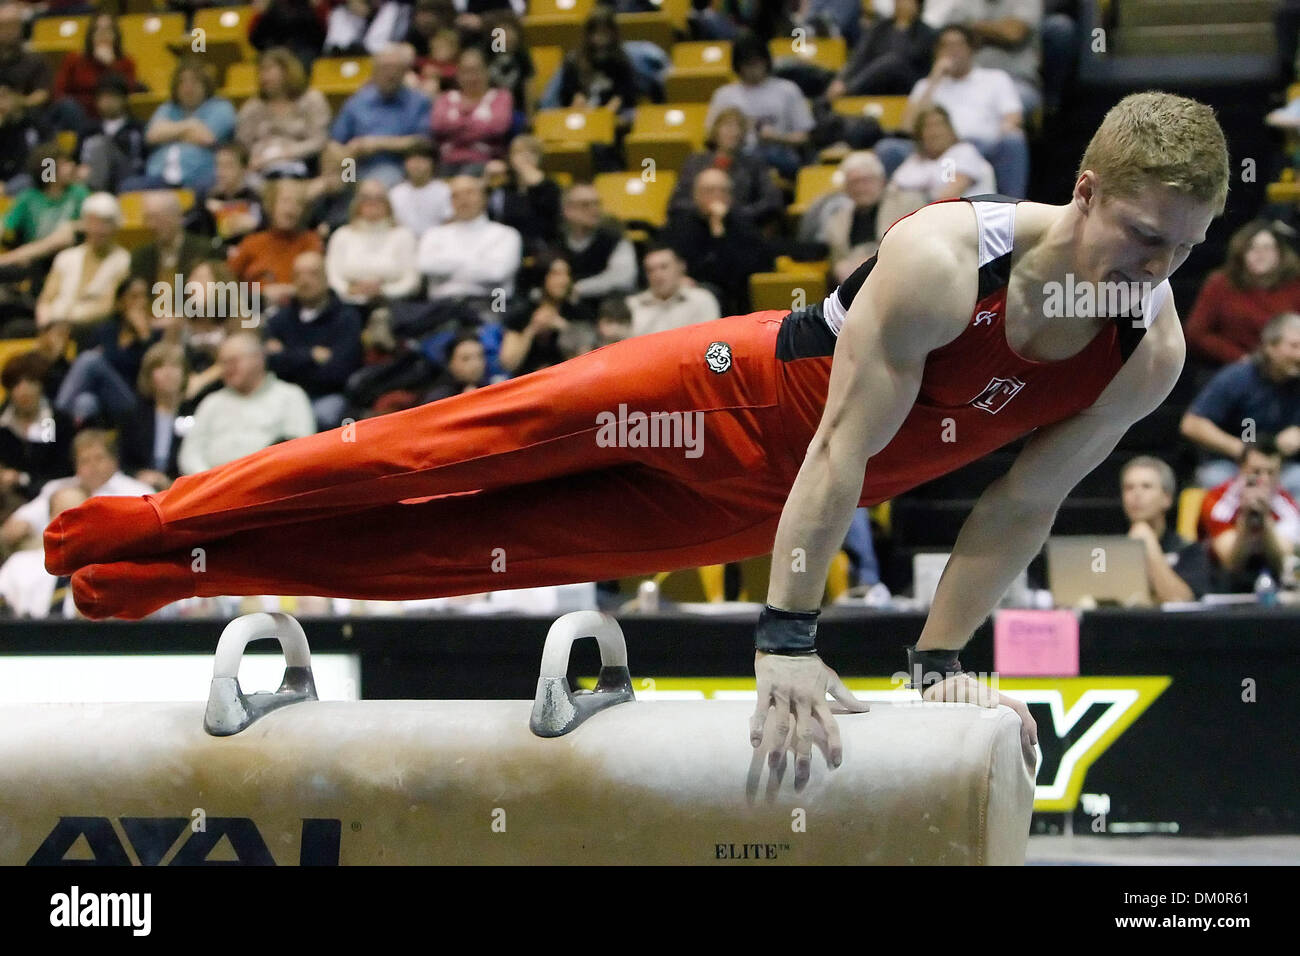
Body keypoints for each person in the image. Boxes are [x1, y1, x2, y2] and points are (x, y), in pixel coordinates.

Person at [46, 92, 1229, 785]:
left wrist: (934, 662)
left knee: (453, 553)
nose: (1152, 272)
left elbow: (1018, 507)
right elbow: (839, 453)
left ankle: (171, 573)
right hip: (708, 391)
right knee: (425, 451)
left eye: (1182, 250)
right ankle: (157, 515)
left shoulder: (1147, 351)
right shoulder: (940, 258)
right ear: (1079, 192)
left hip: (745, 509)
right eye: (1138, 238)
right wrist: (783, 636)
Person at [881, 25, 1028, 199]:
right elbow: (907, 127)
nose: (952, 51)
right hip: (931, 146)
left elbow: (1013, 118)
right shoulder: (926, 85)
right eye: (946, 46)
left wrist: (1001, 130)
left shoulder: (995, 78)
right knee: (888, 149)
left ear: (971, 49)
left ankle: (1014, 206)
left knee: (1012, 140)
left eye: (958, 45)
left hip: (980, 145)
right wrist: (934, 78)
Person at [1180, 312, 1300, 498]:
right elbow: (1192, 424)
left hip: (1283, 469)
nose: (1299, 354)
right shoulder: (1237, 378)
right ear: (1270, 347)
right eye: (1294, 346)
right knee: (1213, 479)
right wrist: (1241, 450)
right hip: (1233, 467)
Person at [177, 332, 316, 474]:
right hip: (214, 485)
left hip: (268, 483)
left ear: (258, 359)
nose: (228, 368)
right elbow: (190, 454)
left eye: (233, 361)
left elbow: (299, 450)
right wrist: (208, 479)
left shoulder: (290, 396)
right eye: (223, 363)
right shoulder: (211, 402)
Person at [4, 429, 150, 552]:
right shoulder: (57, 488)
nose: (93, 466)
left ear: (114, 460)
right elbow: (20, 523)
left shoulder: (138, 493)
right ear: (75, 465)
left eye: (99, 458)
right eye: (85, 460)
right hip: (49, 559)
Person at [1188, 436, 1300, 595]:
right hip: (1219, 579)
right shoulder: (1216, 500)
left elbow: (1282, 561)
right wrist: (1246, 519)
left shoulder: (1287, 505)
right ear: (1241, 469)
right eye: (1256, 472)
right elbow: (1230, 562)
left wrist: (1265, 519)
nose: (1264, 480)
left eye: (1271, 472)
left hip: (1271, 579)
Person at [267, 250, 364, 429]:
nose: (304, 281)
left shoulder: (346, 317)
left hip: (326, 396)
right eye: (298, 275)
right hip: (283, 398)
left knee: (320, 418)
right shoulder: (279, 319)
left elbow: (339, 371)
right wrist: (311, 355)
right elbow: (269, 364)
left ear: (326, 278)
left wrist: (287, 355)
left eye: (312, 274)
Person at [1184, 220, 1300, 367]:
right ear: (1241, 253)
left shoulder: (1295, 284)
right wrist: (1241, 358)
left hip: (1289, 367)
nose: (1260, 254)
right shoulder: (1220, 283)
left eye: (1268, 248)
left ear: (1281, 253)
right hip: (1231, 367)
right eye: (1252, 248)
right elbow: (1196, 333)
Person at [660, 167, 773, 315]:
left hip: (733, 298)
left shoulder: (744, 226)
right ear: (696, 195)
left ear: (730, 196)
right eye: (709, 191)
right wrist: (678, 279)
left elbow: (741, 272)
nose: (716, 196)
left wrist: (718, 230)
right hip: (685, 292)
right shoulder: (679, 225)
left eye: (722, 191)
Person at [704, 32, 813, 179]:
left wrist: (777, 137)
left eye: (757, 63)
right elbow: (712, 137)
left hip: (778, 155)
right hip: (737, 155)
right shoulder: (724, 95)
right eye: (747, 65)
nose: (753, 70)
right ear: (738, 66)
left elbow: (804, 137)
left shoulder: (787, 90)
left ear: (766, 62)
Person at [330, 43, 433, 187]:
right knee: (338, 186)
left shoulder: (418, 102)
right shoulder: (357, 101)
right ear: (374, 72)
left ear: (404, 72)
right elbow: (336, 141)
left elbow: (423, 142)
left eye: (395, 69)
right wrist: (343, 155)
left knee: (376, 183)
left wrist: (378, 144)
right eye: (385, 68)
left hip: (394, 165)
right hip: (354, 163)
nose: (390, 74)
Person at [34, 192, 131, 341]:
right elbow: (46, 300)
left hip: (89, 326)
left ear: (115, 226)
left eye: (104, 223)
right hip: (53, 323)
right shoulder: (66, 257)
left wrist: (68, 321)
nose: (97, 229)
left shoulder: (123, 261)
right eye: (92, 222)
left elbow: (109, 306)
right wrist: (46, 322)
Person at [131, 60, 237, 195]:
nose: (188, 87)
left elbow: (207, 137)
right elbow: (152, 135)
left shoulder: (220, 107)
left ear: (205, 85)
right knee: (128, 187)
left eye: (194, 82)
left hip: (200, 176)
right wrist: (191, 125)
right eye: (182, 82)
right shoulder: (167, 108)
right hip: (159, 176)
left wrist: (170, 132)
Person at [667, 107, 784, 228]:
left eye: (738, 127)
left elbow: (772, 201)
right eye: (728, 126)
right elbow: (677, 202)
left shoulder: (754, 164)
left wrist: (733, 214)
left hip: (741, 226)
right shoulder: (695, 162)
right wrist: (706, 211)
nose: (733, 132)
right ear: (716, 130)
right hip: (697, 226)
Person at [417, 174, 521, 308]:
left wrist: (449, 269)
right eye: (456, 195)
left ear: (484, 198)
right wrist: (478, 261)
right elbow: (426, 266)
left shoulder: (506, 234)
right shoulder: (434, 234)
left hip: (494, 304)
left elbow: (497, 273)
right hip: (443, 306)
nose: (463, 200)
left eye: (469, 193)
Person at [880, 105, 997, 217]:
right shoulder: (916, 160)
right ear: (920, 135)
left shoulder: (963, 152)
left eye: (939, 125)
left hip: (965, 217)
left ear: (950, 130)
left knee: (910, 200)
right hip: (924, 218)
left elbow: (951, 194)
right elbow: (893, 188)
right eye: (928, 127)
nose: (934, 132)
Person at [235, 47, 332, 181]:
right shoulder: (253, 107)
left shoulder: (311, 99)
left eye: (268, 70)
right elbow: (242, 143)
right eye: (261, 71)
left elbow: (319, 140)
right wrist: (257, 155)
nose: (263, 76)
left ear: (287, 71)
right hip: (260, 166)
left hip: (302, 163)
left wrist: (286, 153)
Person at [227, 179, 324, 306]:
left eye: (298, 204)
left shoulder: (311, 242)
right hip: (254, 310)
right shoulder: (252, 243)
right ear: (271, 205)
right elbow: (225, 282)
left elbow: (318, 286)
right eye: (285, 201)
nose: (290, 210)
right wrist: (260, 296)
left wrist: (287, 291)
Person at [324, 179, 419, 307]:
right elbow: (332, 276)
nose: (372, 202)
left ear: (388, 203)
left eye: (378, 198)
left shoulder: (403, 236)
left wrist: (383, 291)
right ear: (357, 203)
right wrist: (348, 290)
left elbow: (411, 280)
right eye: (366, 197)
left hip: (392, 304)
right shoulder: (342, 235)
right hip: (346, 304)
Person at [0, 483, 87, 618]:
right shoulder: (18, 565)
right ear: (50, 520)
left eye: (79, 516)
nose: (72, 523)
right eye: (64, 514)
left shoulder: (107, 571)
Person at [553, 181, 636, 321]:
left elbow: (623, 279)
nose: (594, 210)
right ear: (568, 210)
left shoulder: (614, 239)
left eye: (597, 203)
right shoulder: (555, 241)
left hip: (606, 315)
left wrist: (579, 288)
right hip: (564, 315)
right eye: (585, 204)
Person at [1117, 454, 1195, 603]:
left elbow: (1181, 601)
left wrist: (1148, 545)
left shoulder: (1189, 550)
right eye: (1129, 487)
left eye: (1146, 486)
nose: (1136, 494)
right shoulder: (1108, 552)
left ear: (1167, 498)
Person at [118, 342, 193, 490]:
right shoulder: (134, 414)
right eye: (160, 367)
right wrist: (139, 474)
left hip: (183, 487)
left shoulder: (195, 411)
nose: (168, 373)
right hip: (140, 487)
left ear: (184, 374)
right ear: (148, 375)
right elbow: (123, 462)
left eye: (174, 366)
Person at [826, 0, 935, 98]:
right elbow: (860, 56)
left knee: (892, 62)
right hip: (874, 83)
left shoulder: (927, 34)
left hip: (908, 84)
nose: (900, 4)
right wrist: (841, 80)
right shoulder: (879, 28)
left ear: (917, 5)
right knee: (827, 76)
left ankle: (848, 90)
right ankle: (843, 89)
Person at [430, 46, 512, 176]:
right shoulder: (445, 98)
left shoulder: (501, 96)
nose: (472, 77)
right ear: (458, 74)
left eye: (476, 71)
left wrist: (457, 129)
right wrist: (476, 126)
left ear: (486, 71)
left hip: (484, 161)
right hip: (447, 162)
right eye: (466, 72)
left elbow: (498, 127)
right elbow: (438, 125)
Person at [797, 150, 887, 266]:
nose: (860, 188)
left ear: (882, 181)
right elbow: (834, 257)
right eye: (854, 182)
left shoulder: (902, 206)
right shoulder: (836, 217)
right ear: (846, 187)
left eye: (866, 181)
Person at [53, 12, 136, 122]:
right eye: (97, 30)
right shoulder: (74, 59)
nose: (103, 34)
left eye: (108, 30)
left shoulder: (126, 63)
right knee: (67, 106)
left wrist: (110, 66)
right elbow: (58, 93)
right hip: (78, 113)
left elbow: (126, 94)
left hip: (112, 114)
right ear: (90, 35)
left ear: (116, 35)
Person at [184, 143, 264, 256]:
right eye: (219, 165)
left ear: (244, 168)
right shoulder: (207, 199)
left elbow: (259, 226)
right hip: (215, 257)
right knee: (181, 269)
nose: (221, 172)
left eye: (228, 165)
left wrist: (223, 211)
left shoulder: (254, 199)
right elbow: (194, 235)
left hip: (246, 257)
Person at [625, 245, 721, 338]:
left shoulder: (701, 300)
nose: (657, 275)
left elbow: (709, 342)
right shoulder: (632, 305)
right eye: (650, 270)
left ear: (681, 267)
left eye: (664, 267)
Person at [75, 74, 146, 194]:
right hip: (91, 174)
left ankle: (94, 193)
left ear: (123, 99)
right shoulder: (88, 130)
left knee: (100, 144)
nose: (107, 101)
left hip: (127, 177)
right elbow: (76, 159)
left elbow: (143, 159)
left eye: (112, 96)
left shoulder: (136, 128)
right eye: (102, 97)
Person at [389, 142, 451, 238]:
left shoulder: (444, 191)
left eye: (422, 159)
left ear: (433, 163)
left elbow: (448, 223)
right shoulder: (395, 193)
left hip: (436, 243)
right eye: (412, 159)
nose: (416, 164)